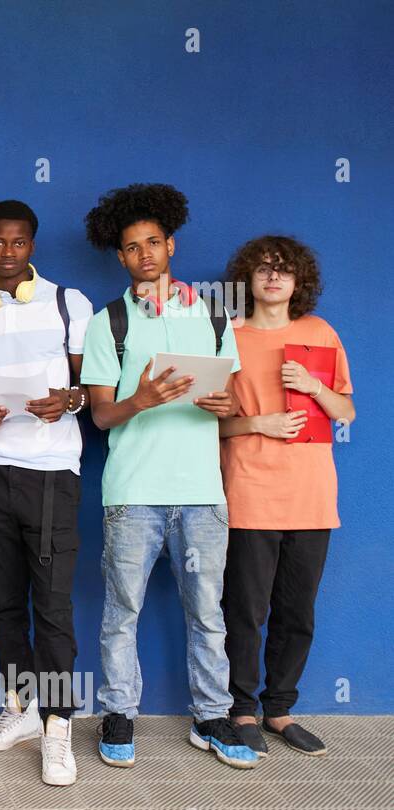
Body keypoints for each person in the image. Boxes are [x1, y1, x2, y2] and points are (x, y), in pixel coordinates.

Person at [79, 182, 259, 770]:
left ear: (171, 245)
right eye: (132, 248)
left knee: (208, 613)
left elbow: (229, 398)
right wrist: (145, 397)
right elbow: (102, 414)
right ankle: (118, 713)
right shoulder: (109, 323)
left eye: (153, 242)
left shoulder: (213, 314)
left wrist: (224, 405)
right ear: (121, 257)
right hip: (133, 494)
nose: (144, 254)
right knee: (120, 610)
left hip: (203, 493)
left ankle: (211, 717)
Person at [0, 199, 93, 786]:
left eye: (18, 243)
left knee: (52, 606)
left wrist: (70, 400)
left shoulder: (68, 303)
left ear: (32, 246)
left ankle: (58, 726)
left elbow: (90, 386)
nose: (7, 253)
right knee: (4, 602)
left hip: (54, 472)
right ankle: (21, 708)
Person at [219, 236, 354, 757]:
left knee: (297, 611)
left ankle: (279, 710)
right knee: (245, 610)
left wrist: (314, 387)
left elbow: (345, 413)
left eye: (283, 271)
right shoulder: (229, 337)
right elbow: (209, 424)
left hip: (312, 495)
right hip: (251, 489)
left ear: (299, 282)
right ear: (248, 280)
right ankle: (242, 710)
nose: (273, 278)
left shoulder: (319, 332)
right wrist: (260, 422)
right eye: (263, 270)